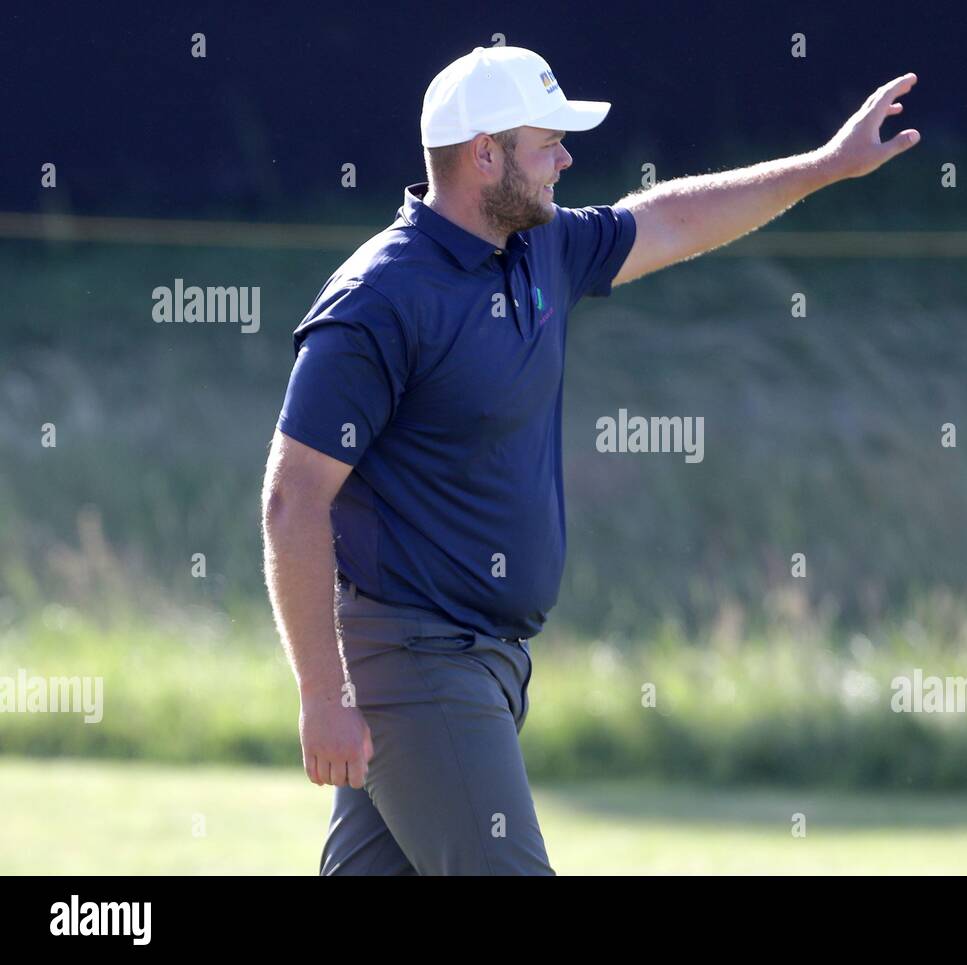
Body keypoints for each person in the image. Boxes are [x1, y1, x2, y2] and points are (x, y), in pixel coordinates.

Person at [260, 44, 920, 875]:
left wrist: (823, 168)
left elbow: (673, 217)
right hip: (420, 664)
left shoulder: (541, 249)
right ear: (484, 155)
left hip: (481, 664)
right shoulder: (380, 300)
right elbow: (294, 499)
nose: (568, 159)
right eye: (549, 143)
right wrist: (323, 693)